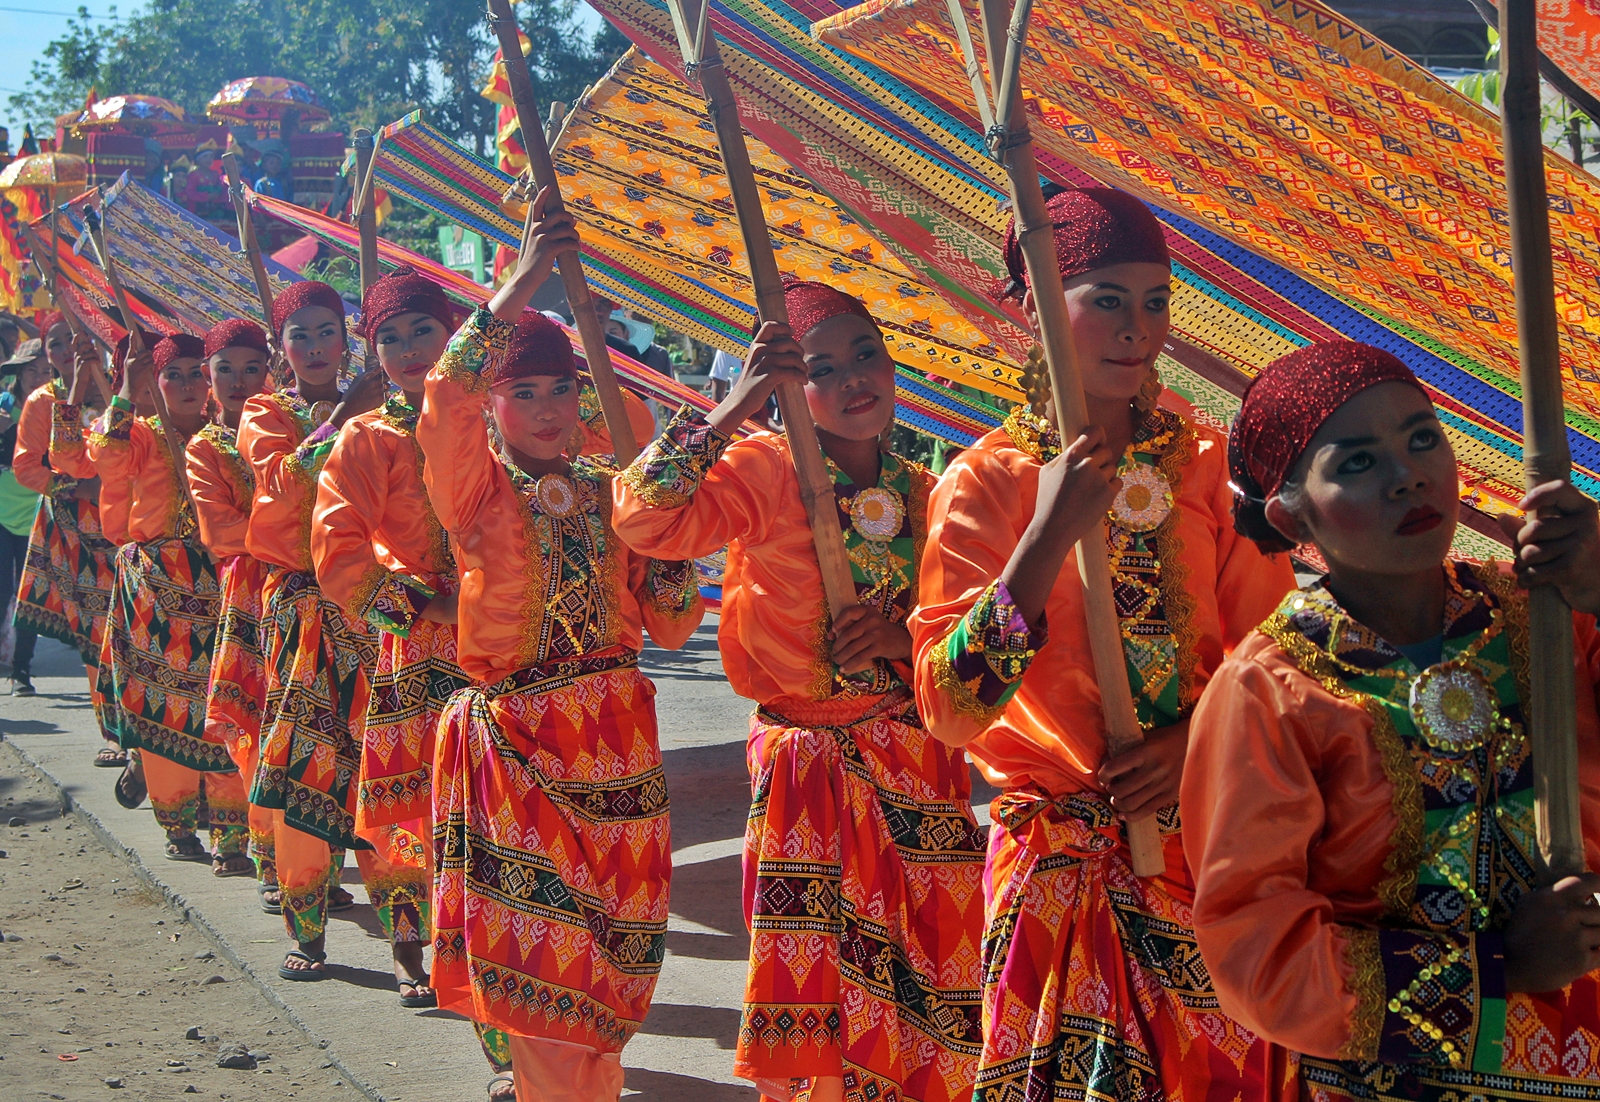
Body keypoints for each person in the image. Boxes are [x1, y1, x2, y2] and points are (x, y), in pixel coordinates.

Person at [910, 188, 1297, 1102]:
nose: (1139, 330)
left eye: (1155, 301)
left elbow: (1276, 659)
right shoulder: (985, 481)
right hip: (1058, 865)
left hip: (1210, 847)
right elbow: (948, 710)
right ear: (1044, 309)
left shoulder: (1208, 467)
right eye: (1108, 301)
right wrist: (1042, 541)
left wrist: (1194, 742)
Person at [1182, 341, 1600, 1102]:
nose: (1408, 474)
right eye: (1357, 464)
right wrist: (1499, 968)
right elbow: (1256, 944)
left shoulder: (1544, 612)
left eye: (1421, 438)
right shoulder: (1268, 688)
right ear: (1289, 510)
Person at [613, 277, 988, 1102]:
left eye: (868, 355)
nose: (855, 379)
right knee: (818, 981)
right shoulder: (762, 468)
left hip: (916, 760)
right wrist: (736, 405)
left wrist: (907, 639)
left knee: (935, 961)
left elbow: (973, 620)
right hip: (807, 764)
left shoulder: (931, 488)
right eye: (820, 370)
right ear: (788, 389)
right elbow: (644, 521)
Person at [419, 186, 704, 1102]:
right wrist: (519, 287)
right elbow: (444, 395)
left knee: (620, 939)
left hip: (617, 734)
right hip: (520, 740)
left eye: (562, 389)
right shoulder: (475, 494)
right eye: (524, 393)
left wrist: (666, 550)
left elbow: (670, 623)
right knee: (544, 938)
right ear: (496, 405)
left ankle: (593, 1084)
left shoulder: (612, 484)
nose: (546, 409)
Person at [310, 266, 463, 1014]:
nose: (407, 350)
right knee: (406, 807)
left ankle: (488, 959)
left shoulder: (498, 418)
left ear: (455, 337)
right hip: (414, 651)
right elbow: (338, 552)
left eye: (422, 332)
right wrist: (424, 605)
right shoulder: (364, 440)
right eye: (389, 338)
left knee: (493, 810)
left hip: (506, 648)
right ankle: (409, 947)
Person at [237, 280, 389, 980]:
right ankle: (310, 931)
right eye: (299, 335)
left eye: (327, 330)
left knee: (388, 762)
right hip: (300, 608)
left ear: (348, 337)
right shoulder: (266, 412)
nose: (316, 346)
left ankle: (409, 936)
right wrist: (344, 420)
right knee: (307, 758)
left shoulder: (388, 402)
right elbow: (279, 487)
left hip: (380, 607)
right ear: (279, 349)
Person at [77, 332, 251, 872]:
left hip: (223, 583)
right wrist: (126, 393)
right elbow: (100, 454)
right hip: (156, 588)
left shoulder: (230, 436)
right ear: (155, 381)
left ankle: (232, 838)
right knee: (165, 713)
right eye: (170, 374)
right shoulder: (143, 437)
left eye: (196, 372)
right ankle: (177, 825)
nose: (185, 384)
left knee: (225, 709)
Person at [186, 318, 277, 902]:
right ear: (207, 378)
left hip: (313, 593)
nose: (240, 381)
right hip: (247, 594)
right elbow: (226, 533)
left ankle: (313, 848)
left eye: (252, 368)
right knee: (255, 724)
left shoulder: (291, 428)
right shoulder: (204, 448)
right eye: (227, 370)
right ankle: (270, 853)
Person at [16, 314, 121, 765]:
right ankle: (115, 734)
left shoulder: (125, 389)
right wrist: (80, 488)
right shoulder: (44, 401)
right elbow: (27, 467)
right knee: (97, 632)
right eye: (56, 344)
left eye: (79, 339)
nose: (67, 351)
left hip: (134, 525)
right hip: (75, 532)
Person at [0, 341, 48, 694]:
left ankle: (21, 671)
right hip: (2, 512)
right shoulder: (4, 407)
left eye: (45, 370)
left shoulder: (57, 409)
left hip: (38, 512)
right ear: (18, 373)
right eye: (32, 369)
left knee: (29, 595)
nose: (38, 377)